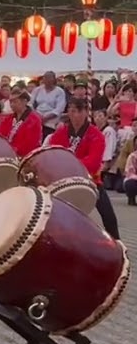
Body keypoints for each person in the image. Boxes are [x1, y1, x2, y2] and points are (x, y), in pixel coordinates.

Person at [47, 98, 120, 239]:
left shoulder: (95, 134)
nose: (72, 114)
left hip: (90, 180)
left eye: (75, 111)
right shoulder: (61, 133)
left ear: (85, 112)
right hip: (64, 180)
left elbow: (93, 162)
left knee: (108, 215)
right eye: (70, 110)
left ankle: (118, 244)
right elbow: (53, 154)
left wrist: (68, 163)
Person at [0, 91, 42, 157]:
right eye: (10, 102)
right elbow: (2, 135)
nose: (11, 105)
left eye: (15, 102)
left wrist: (14, 150)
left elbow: (31, 142)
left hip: (27, 156)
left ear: (24, 102)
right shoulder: (8, 118)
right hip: (9, 154)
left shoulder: (34, 119)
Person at [31, 71, 67, 140]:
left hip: (51, 121)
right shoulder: (37, 90)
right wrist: (37, 116)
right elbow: (30, 103)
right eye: (45, 77)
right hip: (37, 117)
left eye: (49, 77)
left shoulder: (60, 92)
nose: (46, 80)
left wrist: (45, 118)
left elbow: (59, 108)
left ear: (53, 79)